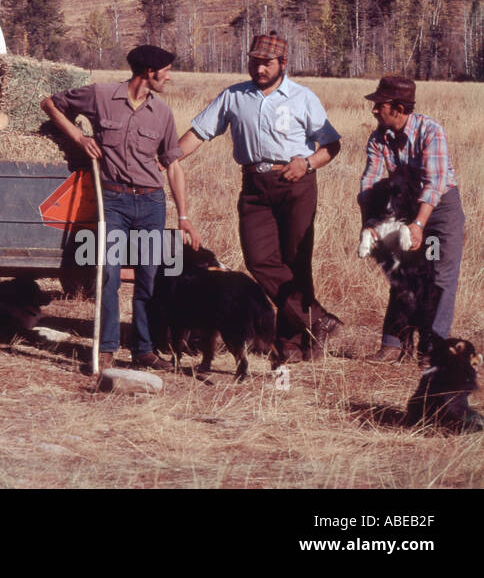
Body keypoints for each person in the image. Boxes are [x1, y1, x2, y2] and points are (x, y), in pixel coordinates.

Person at [177, 31, 342, 365]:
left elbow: (331, 146)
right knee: (259, 260)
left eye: (266, 63)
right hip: (254, 185)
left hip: (295, 182)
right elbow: (199, 133)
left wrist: (307, 163)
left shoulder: (302, 97)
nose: (259, 69)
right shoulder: (234, 96)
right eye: (254, 62)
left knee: (296, 262)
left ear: (283, 63)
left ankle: (293, 343)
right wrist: (168, 158)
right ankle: (318, 321)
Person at [41, 44, 192, 373]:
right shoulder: (101, 95)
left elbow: (174, 166)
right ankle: (106, 348)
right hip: (114, 200)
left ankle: (144, 350)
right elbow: (50, 104)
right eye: (165, 70)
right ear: (148, 72)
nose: (169, 76)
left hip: (152, 203)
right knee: (108, 273)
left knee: (149, 278)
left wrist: (183, 216)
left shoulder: (163, 113)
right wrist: (80, 138)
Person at [358, 76, 465, 366]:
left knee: (438, 275)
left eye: (380, 105)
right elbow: (370, 181)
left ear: (399, 108)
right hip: (402, 212)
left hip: (437, 213)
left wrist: (418, 226)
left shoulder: (431, 131)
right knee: (400, 274)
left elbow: (434, 184)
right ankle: (393, 345)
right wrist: (370, 222)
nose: (374, 110)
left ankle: (433, 347)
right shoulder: (378, 138)